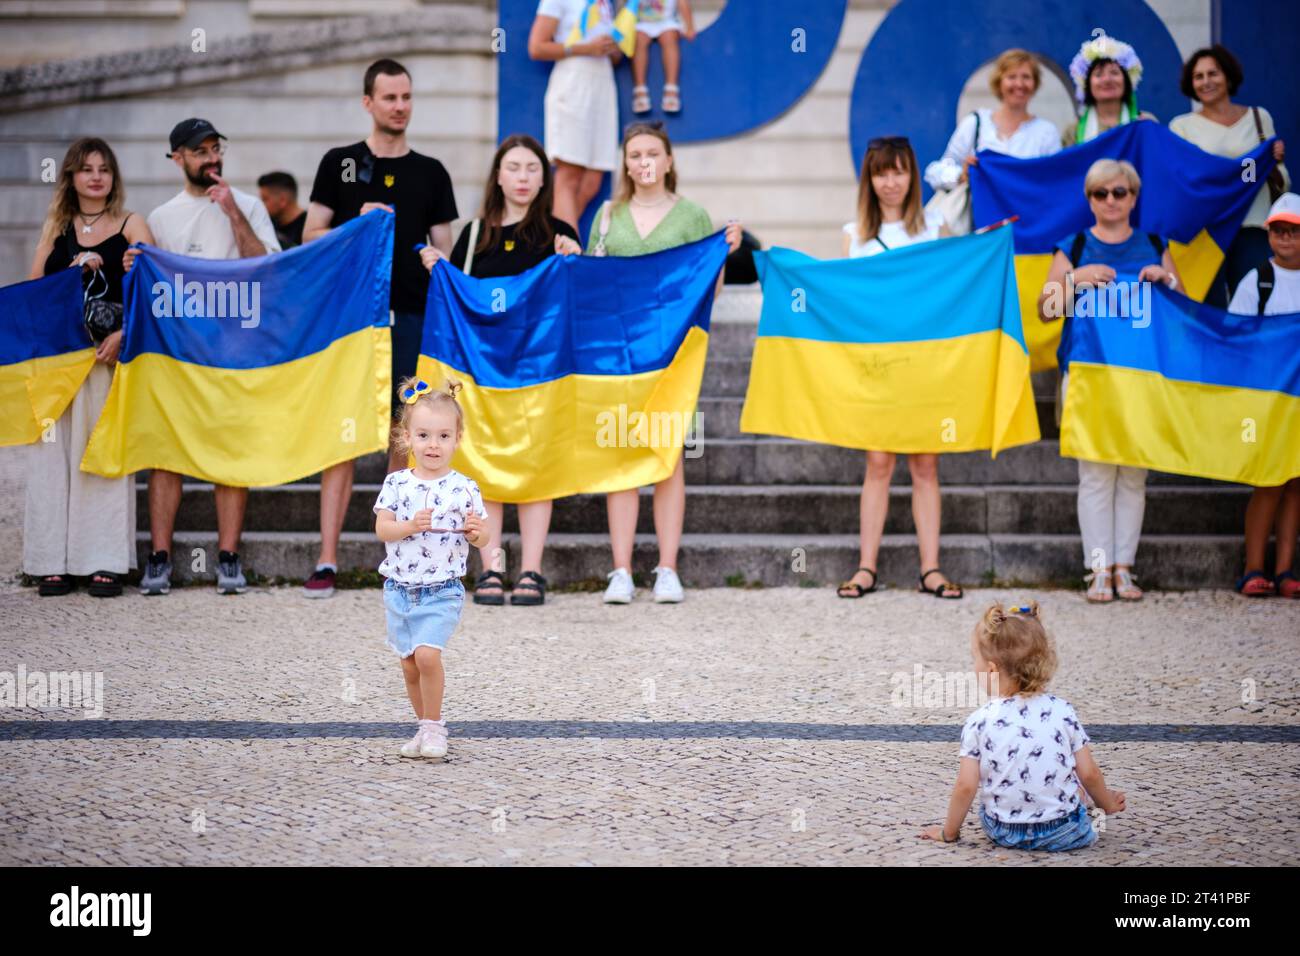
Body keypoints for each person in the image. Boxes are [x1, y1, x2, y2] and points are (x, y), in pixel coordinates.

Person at [302, 58, 459, 598]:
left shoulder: (432, 171)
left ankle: (392, 554)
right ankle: (327, 560)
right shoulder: (339, 163)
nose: (399, 106)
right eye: (389, 97)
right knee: (340, 437)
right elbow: (309, 238)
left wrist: (436, 256)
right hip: (349, 323)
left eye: (406, 97)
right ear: (367, 102)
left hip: (412, 318)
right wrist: (358, 224)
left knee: (403, 432)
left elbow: (447, 250)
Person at [420, 134, 582, 607]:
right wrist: (440, 271)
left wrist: (574, 260)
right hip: (481, 372)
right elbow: (462, 301)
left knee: (535, 469)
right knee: (485, 468)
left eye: (533, 169)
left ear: (544, 178)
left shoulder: (558, 231)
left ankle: (531, 571)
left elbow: (574, 302)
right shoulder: (472, 236)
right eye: (514, 168)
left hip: (539, 373)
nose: (524, 178)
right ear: (498, 175)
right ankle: (491, 569)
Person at [584, 121, 741, 604]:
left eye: (652, 152)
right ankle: (621, 571)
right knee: (621, 457)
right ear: (625, 163)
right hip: (619, 354)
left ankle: (667, 569)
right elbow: (592, 282)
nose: (643, 161)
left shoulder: (693, 216)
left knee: (669, 456)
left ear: (669, 161)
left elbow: (706, 290)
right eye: (635, 154)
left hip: (674, 357)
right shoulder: (608, 215)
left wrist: (725, 253)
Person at [126, 118, 281, 596]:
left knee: (230, 453)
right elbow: (153, 289)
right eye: (200, 151)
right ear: (178, 158)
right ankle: (159, 559)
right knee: (165, 455)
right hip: (179, 356)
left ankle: (229, 559)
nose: (212, 158)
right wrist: (134, 265)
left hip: (235, 354)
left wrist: (233, 212)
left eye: (216, 148)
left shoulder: (249, 205)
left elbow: (268, 270)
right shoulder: (163, 216)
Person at [1037, 159, 1182, 603]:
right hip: (1089, 378)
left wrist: (1167, 280)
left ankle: (1124, 568)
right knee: (1096, 475)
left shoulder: (1155, 244)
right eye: (1101, 194)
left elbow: (1185, 314)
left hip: (1141, 379)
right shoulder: (1075, 245)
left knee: (1134, 473)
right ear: (1090, 199)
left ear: (1134, 197)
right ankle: (1098, 570)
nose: (1111, 201)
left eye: (1119, 192)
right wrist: (1075, 279)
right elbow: (1046, 309)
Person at [24, 137, 154, 598]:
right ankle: (50, 562)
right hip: (60, 362)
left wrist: (125, 334)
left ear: (113, 177)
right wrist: (73, 271)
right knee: (52, 460)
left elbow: (154, 284)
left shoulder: (131, 223)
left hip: (107, 359)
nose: (96, 176)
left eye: (104, 168)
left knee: (102, 457)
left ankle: (103, 561)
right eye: (86, 168)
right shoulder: (56, 228)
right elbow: (35, 291)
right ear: (72, 177)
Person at [837, 136, 961, 601]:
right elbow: (844, 300)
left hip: (925, 363)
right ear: (869, 179)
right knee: (878, 462)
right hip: (876, 364)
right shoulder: (855, 233)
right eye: (881, 172)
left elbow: (953, 287)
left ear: (912, 175)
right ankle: (866, 566)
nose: (891, 182)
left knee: (926, 464)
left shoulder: (935, 225)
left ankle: (930, 568)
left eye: (899, 171)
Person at [919, 602, 1125, 850]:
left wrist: (948, 833)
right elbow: (1089, 773)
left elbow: (966, 786)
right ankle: (1075, 806)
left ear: (992, 669)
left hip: (1004, 831)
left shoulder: (979, 720)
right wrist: (1107, 805)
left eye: (975, 659)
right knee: (1078, 786)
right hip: (1066, 830)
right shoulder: (1062, 710)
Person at [375, 377, 488, 761]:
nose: (433, 445)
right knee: (408, 664)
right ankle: (423, 726)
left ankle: (436, 726)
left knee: (427, 655)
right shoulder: (396, 483)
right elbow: (382, 528)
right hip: (399, 589)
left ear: (458, 438)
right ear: (407, 438)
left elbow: (483, 535)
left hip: (442, 588)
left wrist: (476, 534)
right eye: (423, 435)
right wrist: (408, 526)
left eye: (443, 435)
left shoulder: (464, 487)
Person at [1169, 45, 1290, 307]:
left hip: (1253, 228)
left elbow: (1282, 182)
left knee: (1254, 305)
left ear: (1228, 76)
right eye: (1198, 77)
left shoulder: (1260, 118)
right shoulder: (1181, 126)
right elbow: (1183, 182)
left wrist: (1274, 162)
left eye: (1213, 73)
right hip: (1206, 233)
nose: (1206, 82)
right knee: (1208, 309)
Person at [1229, 193, 1300, 598]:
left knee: (1296, 483)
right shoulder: (1257, 279)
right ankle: (1254, 567)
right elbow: (1236, 337)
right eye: (1278, 229)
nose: (1286, 237)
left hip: (1299, 402)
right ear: (1268, 233)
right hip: (1268, 402)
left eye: (1294, 229)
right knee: (1269, 482)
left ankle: (1286, 569)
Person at [527, 0, 623, 230]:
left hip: (602, 85)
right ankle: (570, 254)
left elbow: (616, 57)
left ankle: (553, 240)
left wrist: (612, 47)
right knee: (569, 174)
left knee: (593, 179)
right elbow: (536, 47)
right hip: (572, 83)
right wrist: (585, 48)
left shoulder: (606, 3)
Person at [924, 49, 1061, 195]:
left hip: (1029, 215)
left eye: (1026, 77)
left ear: (1035, 83)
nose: (1019, 84)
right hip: (980, 215)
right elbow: (934, 172)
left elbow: (1055, 180)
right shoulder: (976, 124)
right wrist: (960, 175)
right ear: (999, 82)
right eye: (1012, 77)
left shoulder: (1046, 132)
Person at [1066, 33, 1156, 145]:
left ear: (1126, 80)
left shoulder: (1145, 123)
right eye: (1098, 74)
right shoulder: (1074, 131)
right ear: (1087, 84)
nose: (1107, 80)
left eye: (1114, 73)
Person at [631, 0, 695, 114]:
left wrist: (689, 26)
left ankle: (671, 87)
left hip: (667, 22)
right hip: (642, 22)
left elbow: (682, 3)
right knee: (638, 41)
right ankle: (640, 89)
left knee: (669, 39)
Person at [256, 171, 308, 249]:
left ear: (282, 201)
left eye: (265, 199)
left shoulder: (308, 226)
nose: (261, 204)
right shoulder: (268, 224)